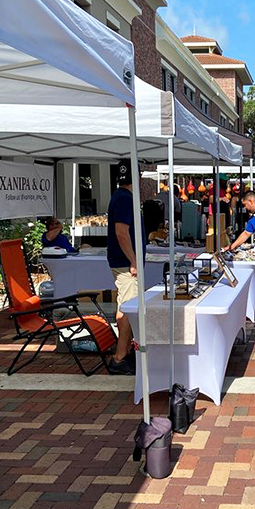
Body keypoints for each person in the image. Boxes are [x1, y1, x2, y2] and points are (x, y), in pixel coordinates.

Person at [106, 159, 145, 375]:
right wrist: (133, 260)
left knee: (127, 307)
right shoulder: (124, 198)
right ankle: (119, 357)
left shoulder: (122, 196)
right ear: (136, 177)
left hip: (124, 262)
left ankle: (124, 351)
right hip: (125, 264)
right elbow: (121, 233)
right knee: (129, 310)